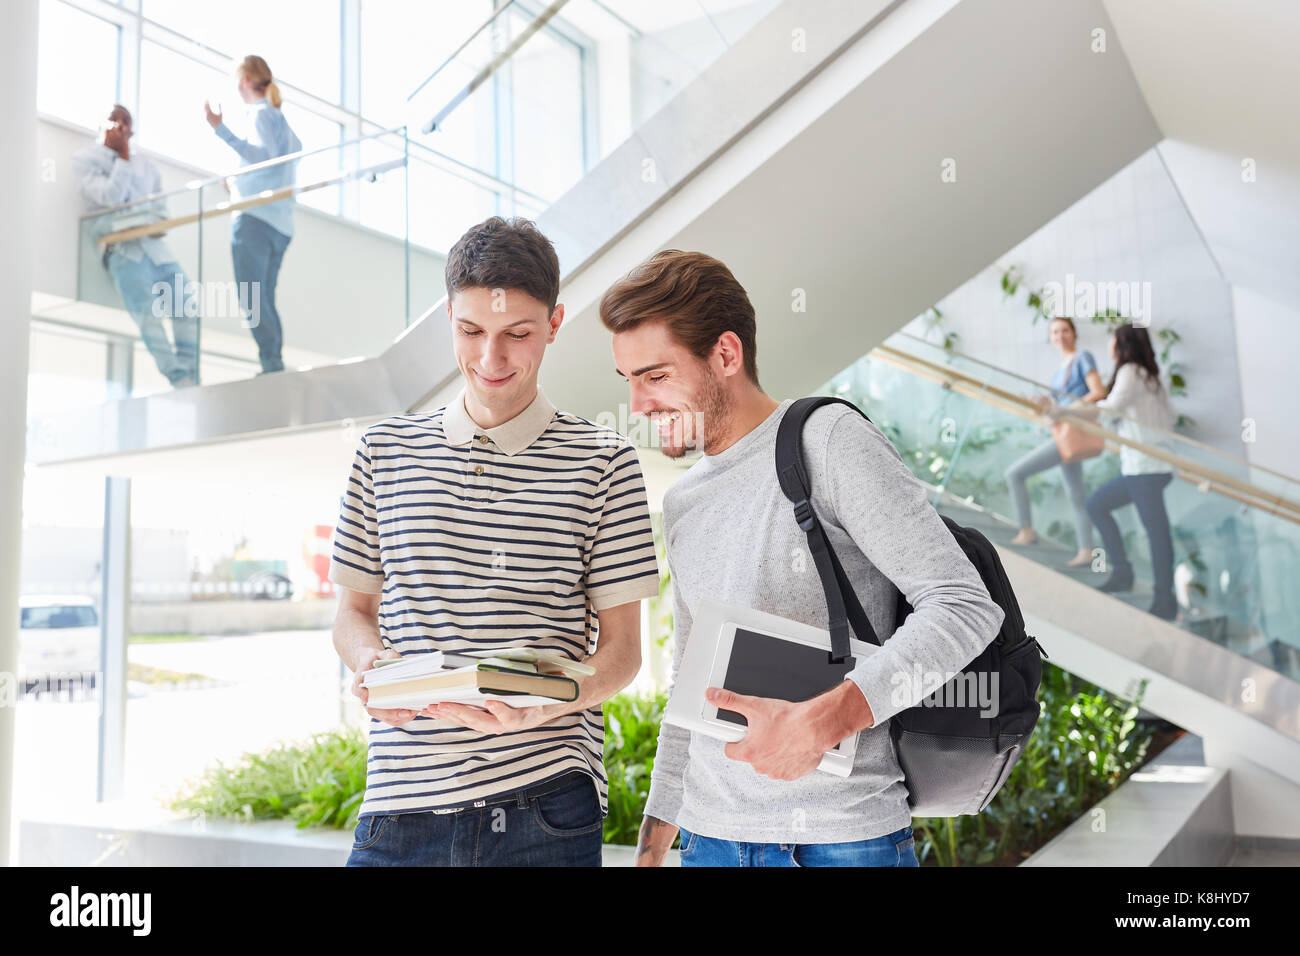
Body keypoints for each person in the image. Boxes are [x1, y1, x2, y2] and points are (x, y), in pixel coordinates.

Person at [600, 250, 1005, 868]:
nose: (638, 406)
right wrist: (657, 836)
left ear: (726, 355)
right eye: (627, 380)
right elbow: (691, 678)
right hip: (710, 841)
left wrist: (824, 721)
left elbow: (963, 605)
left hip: (843, 839)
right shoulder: (681, 502)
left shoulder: (829, 442)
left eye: (655, 375)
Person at [329, 217, 661, 867]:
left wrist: (551, 699)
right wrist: (367, 662)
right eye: (470, 331)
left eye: (517, 334)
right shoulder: (382, 452)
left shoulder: (605, 461)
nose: (491, 359)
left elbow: (623, 653)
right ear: (449, 317)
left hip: (545, 802)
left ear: (556, 322)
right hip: (401, 805)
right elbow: (352, 614)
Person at [1048, 323, 1177, 620]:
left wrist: (1065, 411)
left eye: (1113, 340)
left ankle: (1163, 600)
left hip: (1144, 467)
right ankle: (1124, 572)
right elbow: (1171, 416)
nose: (1108, 345)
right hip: (1150, 465)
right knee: (1098, 505)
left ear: (1123, 344)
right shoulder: (1152, 376)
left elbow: (1109, 408)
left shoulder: (1130, 371)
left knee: (1156, 534)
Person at [71, 104, 198, 388]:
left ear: (132, 129)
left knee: (186, 307)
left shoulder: (148, 166)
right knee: (148, 316)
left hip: (156, 251)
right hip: (123, 254)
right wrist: (124, 157)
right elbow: (110, 197)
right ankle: (178, 378)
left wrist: (146, 222)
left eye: (125, 121)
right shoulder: (85, 160)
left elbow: (160, 210)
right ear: (100, 124)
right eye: (113, 119)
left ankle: (191, 375)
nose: (120, 125)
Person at [204, 55, 302, 374]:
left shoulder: (260, 114)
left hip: (255, 223)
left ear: (244, 81)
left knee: (252, 299)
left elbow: (263, 156)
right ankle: (272, 362)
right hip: (280, 224)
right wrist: (236, 184)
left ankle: (272, 365)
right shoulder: (280, 120)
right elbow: (272, 168)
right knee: (263, 299)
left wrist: (221, 130)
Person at [1005, 316, 1107, 566]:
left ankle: (1027, 530)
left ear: (1073, 333)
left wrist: (1066, 410)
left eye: (1064, 330)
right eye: (1054, 332)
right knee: (1076, 494)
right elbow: (1053, 407)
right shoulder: (1058, 371)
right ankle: (1086, 551)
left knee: (1014, 474)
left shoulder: (1082, 358)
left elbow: (1098, 392)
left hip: (1073, 430)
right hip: (1064, 434)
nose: (1059, 336)